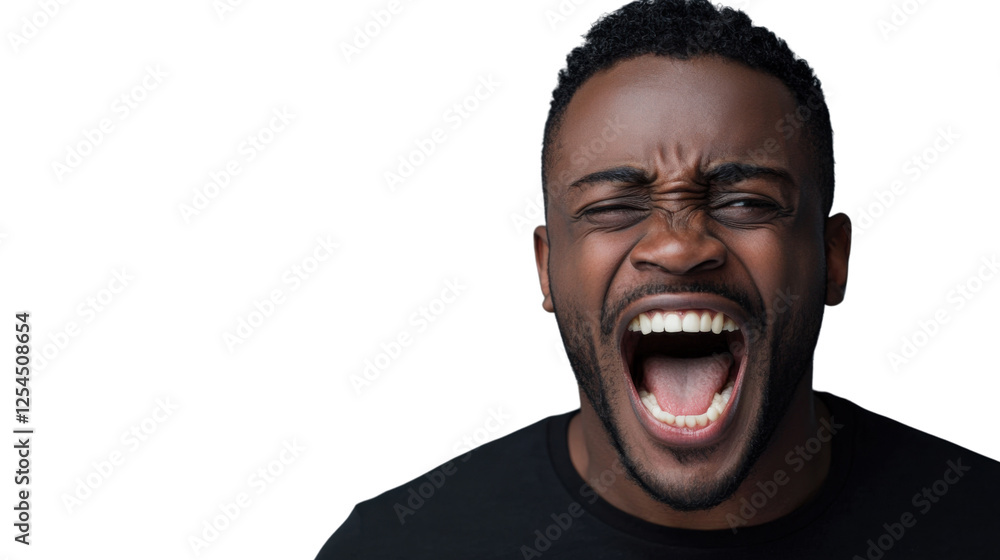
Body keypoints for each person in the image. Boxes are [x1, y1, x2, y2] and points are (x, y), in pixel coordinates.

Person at [315, 1, 1000, 557]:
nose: (677, 246)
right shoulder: (398, 545)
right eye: (613, 208)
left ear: (832, 255)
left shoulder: (976, 523)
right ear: (547, 269)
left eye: (746, 203)